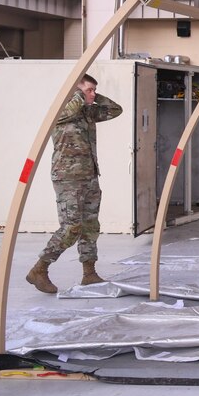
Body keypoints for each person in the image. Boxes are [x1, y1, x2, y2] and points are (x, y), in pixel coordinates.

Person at [25, 73, 123, 294]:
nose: (93, 94)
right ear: (75, 92)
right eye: (89, 90)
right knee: (71, 227)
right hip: (67, 178)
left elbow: (116, 110)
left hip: (89, 176)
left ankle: (89, 273)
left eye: (93, 91)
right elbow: (68, 109)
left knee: (90, 226)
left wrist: (93, 97)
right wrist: (79, 94)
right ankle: (40, 269)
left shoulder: (87, 112)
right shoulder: (59, 112)